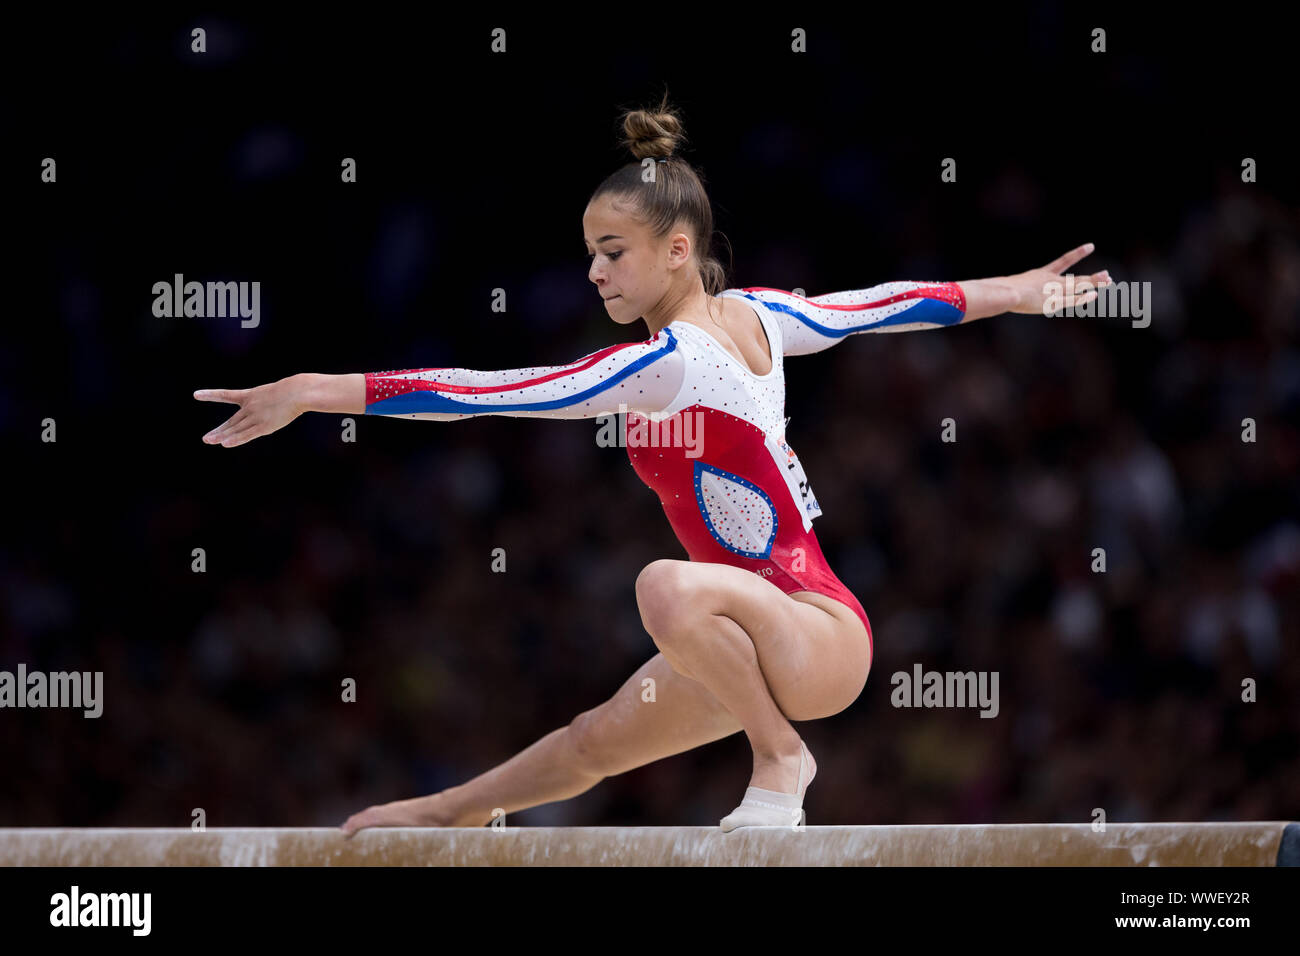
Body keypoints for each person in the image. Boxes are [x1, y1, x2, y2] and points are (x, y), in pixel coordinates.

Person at [195, 96, 1111, 831]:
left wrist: (319, 387)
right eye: (590, 253)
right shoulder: (763, 316)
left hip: (814, 629)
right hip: (747, 638)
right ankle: (447, 810)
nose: (594, 274)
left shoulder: (663, 362)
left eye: (611, 253)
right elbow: (905, 301)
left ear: (678, 251)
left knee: (664, 588)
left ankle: (781, 756)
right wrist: (1021, 294)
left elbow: (491, 390)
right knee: (595, 741)